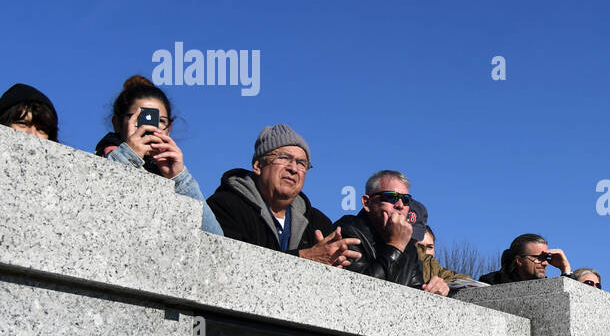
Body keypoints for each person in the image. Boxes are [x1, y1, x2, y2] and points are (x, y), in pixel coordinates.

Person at [207, 124, 360, 267]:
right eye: (284, 157)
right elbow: (228, 266)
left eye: (301, 163)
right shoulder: (224, 206)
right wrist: (304, 258)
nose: (293, 168)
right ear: (258, 166)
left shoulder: (319, 223)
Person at [100, 77, 223, 235]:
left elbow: (215, 238)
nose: (150, 127)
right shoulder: (104, 159)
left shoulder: (170, 172)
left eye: (161, 121)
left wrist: (180, 178)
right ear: (117, 123)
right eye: (140, 119)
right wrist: (128, 156)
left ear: (169, 127)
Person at [334, 170, 442, 291]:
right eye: (391, 197)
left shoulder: (409, 248)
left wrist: (433, 290)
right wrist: (395, 247)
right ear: (367, 202)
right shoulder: (346, 231)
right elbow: (359, 289)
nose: (400, 205)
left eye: (406, 200)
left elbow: (415, 294)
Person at [408, 199, 475, 290]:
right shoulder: (407, 262)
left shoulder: (437, 270)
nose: (425, 252)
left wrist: (443, 284)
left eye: (430, 247)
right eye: (420, 246)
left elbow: (466, 281)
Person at [480, 233, 571, 284]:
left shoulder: (547, 287)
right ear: (519, 260)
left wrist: (565, 269)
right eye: (539, 258)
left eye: (546, 258)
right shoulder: (490, 283)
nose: (545, 263)